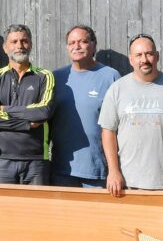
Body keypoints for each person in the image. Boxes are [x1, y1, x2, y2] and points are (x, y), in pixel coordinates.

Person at [99, 33, 163, 198]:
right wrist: (113, 171)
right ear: (131, 59)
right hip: (126, 183)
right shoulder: (117, 89)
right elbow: (108, 132)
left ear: (157, 56)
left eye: (149, 54)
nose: (144, 59)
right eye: (138, 55)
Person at [0, 24, 55, 185]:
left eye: (24, 41)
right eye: (14, 42)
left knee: (36, 209)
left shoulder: (44, 76)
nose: (19, 46)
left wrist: (6, 109)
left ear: (31, 44)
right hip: (0, 160)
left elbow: (44, 112)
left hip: (36, 160)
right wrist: (27, 125)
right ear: (5, 47)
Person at [50, 25, 120, 188]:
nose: (77, 46)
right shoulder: (56, 77)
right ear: (67, 47)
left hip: (98, 171)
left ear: (94, 45)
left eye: (83, 41)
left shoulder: (110, 76)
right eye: (72, 42)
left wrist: (114, 170)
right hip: (62, 170)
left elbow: (119, 125)